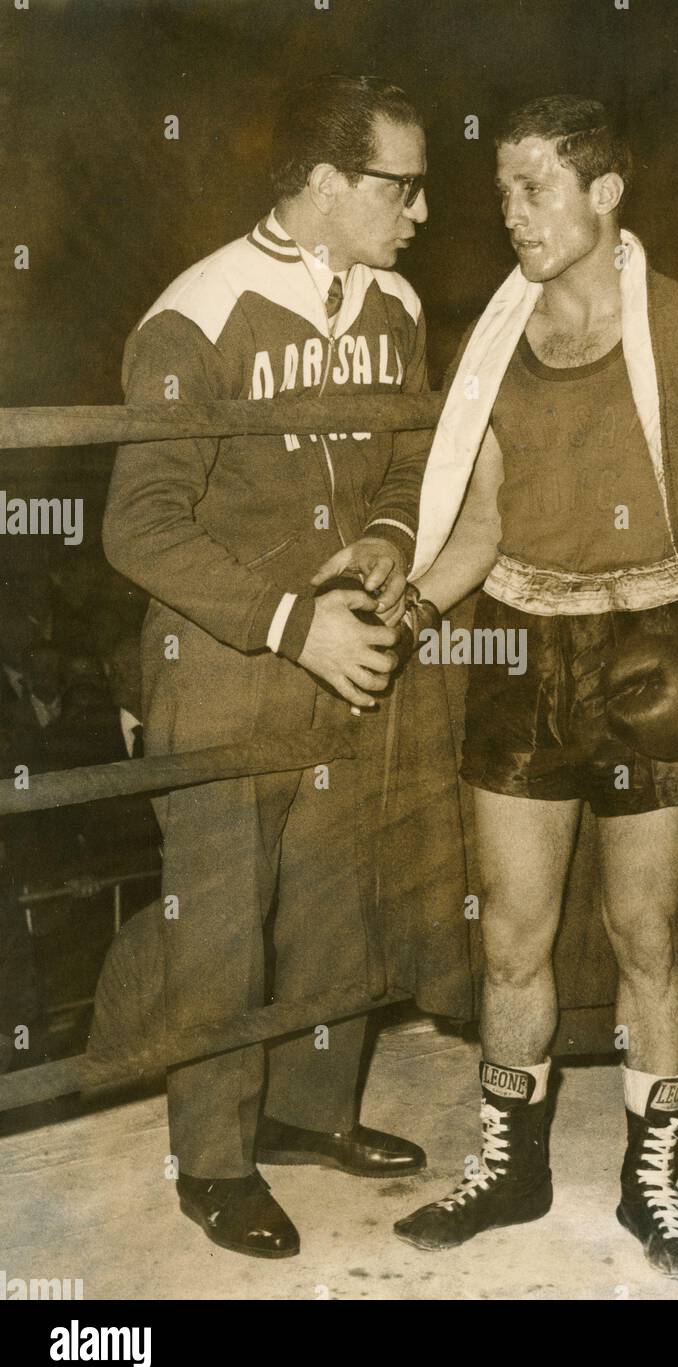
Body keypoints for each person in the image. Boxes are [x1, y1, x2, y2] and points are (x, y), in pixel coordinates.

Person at [393, 95, 678, 1278]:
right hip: (517, 650)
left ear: (604, 194)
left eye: (533, 188)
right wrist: (411, 603)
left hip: (649, 653)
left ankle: (650, 1183)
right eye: (500, 190)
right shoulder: (495, 338)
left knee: (647, 932)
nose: (511, 215)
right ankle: (510, 1165)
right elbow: (478, 523)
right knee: (510, 933)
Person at [102, 74, 469, 1260]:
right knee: (219, 911)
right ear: (325, 184)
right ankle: (212, 1160)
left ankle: (311, 1115)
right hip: (221, 650)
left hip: (341, 638)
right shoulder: (198, 312)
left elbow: (415, 465)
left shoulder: (397, 306)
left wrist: (388, 540)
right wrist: (288, 619)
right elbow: (139, 525)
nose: (419, 209)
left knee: (332, 884)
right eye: (398, 186)